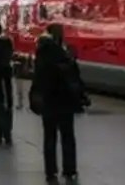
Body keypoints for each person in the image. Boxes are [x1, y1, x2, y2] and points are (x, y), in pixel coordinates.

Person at [34, 22, 87, 184]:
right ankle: (69, 169)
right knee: (68, 136)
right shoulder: (65, 53)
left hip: (49, 100)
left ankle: (51, 171)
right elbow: (74, 76)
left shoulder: (42, 53)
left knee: (49, 137)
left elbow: (38, 77)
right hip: (65, 100)